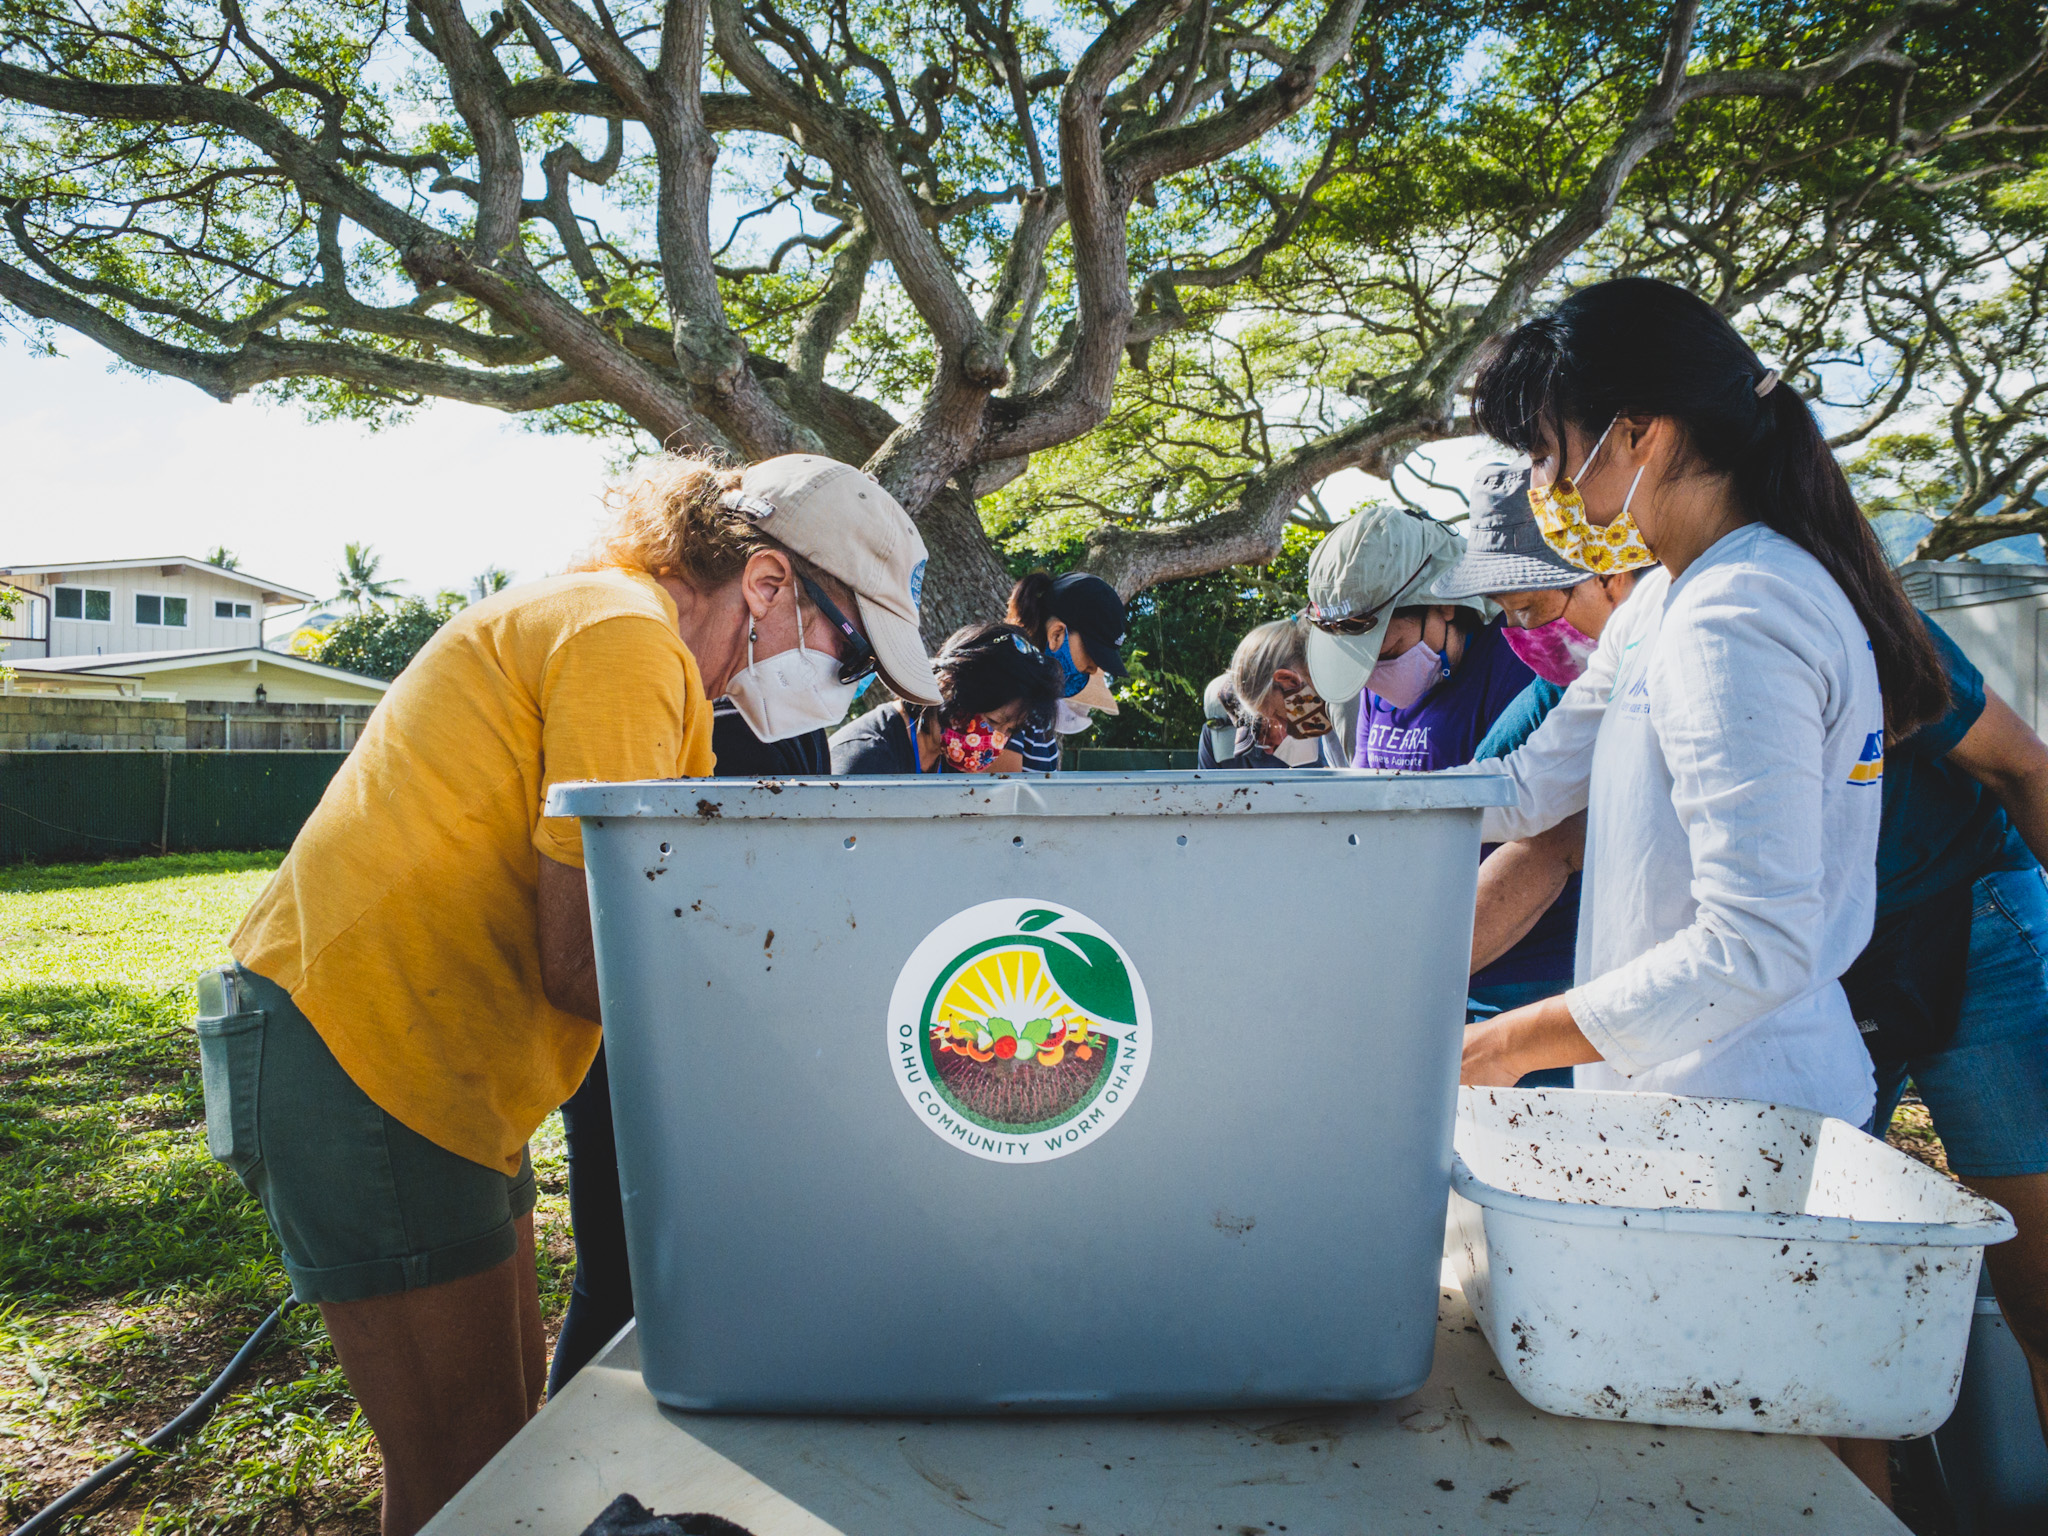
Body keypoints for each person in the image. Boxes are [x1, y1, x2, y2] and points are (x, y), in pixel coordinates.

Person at [202, 452, 942, 1536]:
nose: (850, 686)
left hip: (437, 1072)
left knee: (506, 1463)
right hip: (365, 1056)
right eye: (852, 653)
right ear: (769, 584)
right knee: (471, 1487)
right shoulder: (624, 641)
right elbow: (591, 961)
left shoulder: (635, 644)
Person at [1456, 277, 1950, 1142]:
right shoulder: (1662, 605)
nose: (1544, 483)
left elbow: (1756, 941)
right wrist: (1339, 809)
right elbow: (1527, 790)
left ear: (1640, 432)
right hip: (1673, 1104)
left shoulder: (1743, 614)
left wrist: (1506, 1044)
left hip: (1750, 1113)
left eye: (1546, 450)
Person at [547, 697, 830, 1395]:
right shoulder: (713, 716)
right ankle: (566, 1468)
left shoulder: (798, 720)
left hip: (724, 1039)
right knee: (618, 1280)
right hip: (649, 1040)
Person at [1231, 498, 1575, 1001]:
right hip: (1410, 955)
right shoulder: (1373, 685)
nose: (1373, 677)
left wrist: (1413, 978)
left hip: (1513, 974)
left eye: (1387, 653)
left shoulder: (1515, 666)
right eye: (1358, 661)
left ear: (1443, 604)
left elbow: (1541, 846)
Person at [831, 622, 1062, 774]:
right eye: (993, 721)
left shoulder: (944, 758)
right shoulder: (866, 760)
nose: (996, 741)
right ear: (950, 688)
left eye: (1009, 730)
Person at [996, 571, 1130, 772]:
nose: (1094, 669)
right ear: (1057, 635)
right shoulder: (1007, 695)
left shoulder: (1037, 705)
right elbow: (1002, 796)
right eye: (1093, 653)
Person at [1196, 664, 1326, 769]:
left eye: (1263, 731)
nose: (1268, 749)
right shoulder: (1211, 736)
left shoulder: (1304, 726)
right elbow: (1207, 792)